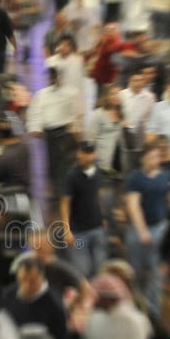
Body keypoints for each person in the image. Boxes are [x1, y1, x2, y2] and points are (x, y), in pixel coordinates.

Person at [124, 143, 170, 316]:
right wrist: (142, 230)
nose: (154, 160)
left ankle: (153, 313)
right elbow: (133, 205)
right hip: (138, 231)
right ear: (143, 158)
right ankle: (135, 308)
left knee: (156, 273)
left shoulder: (165, 176)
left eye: (157, 157)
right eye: (151, 156)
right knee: (135, 272)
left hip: (160, 228)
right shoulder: (135, 178)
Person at [0, 255, 71, 339]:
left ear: (42, 278)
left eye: (32, 281)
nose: (27, 286)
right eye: (23, 280)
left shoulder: (54, 305)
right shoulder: (8, 295)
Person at [27, 66, 83, 194]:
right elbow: (35, 112)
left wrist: (75, 130)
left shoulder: (71, 93)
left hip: (64, 133)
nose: (52, 79)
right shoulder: (41, 94)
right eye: (49, 77)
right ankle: (56, 189)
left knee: (65, 163)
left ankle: (64, 190)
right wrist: (35, 128)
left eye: (54, 76)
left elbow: (77, 113)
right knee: (51, 163)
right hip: (48, 134)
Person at [61, 142, 106, 277]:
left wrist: (103, 217)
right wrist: (66, 230)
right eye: (86, 153)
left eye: (91, 152)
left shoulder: (98, 173)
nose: (89, 156)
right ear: (79, 154)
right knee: (81, 270)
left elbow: (98, 196)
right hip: (78, 233)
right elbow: (64, 203)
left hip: (97, 228)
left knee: (101, 268)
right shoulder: (72, 176)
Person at [86, 85, 124, 172]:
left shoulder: (123, 113)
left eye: (118, 93)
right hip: (102, 162)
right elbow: (90, 139)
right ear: (107, 96)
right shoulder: (98, 114)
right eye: (112, 94)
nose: (116, 96)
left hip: (120, 162)